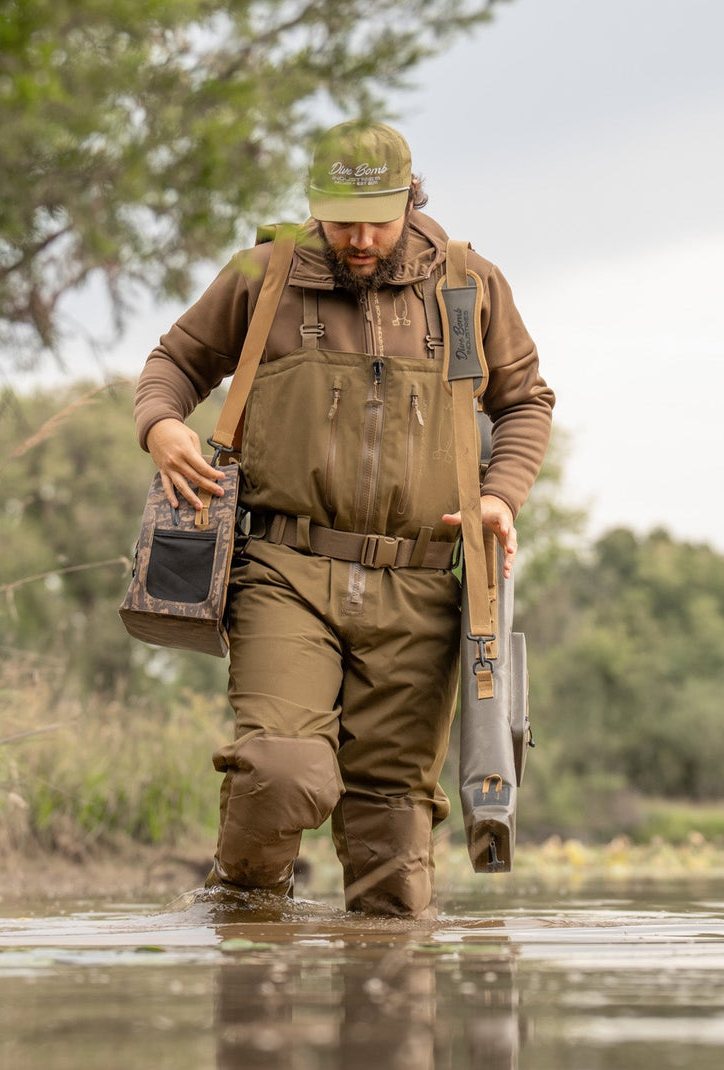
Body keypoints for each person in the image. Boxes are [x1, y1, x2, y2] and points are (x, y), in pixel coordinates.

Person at [134, 120, 555, 917]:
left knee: (393, 858)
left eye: (378, 218)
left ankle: (383, 1016)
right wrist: (162, 428)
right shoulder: (265, 276)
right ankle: (243, 928)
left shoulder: (467, 288)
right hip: (286, 569)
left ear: (410, 197)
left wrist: (501, 495)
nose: (359, 239)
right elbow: (175, 363)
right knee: (282, 772)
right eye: (341, 219)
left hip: (425, 584)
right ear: (313, 206)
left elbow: (525, 402)